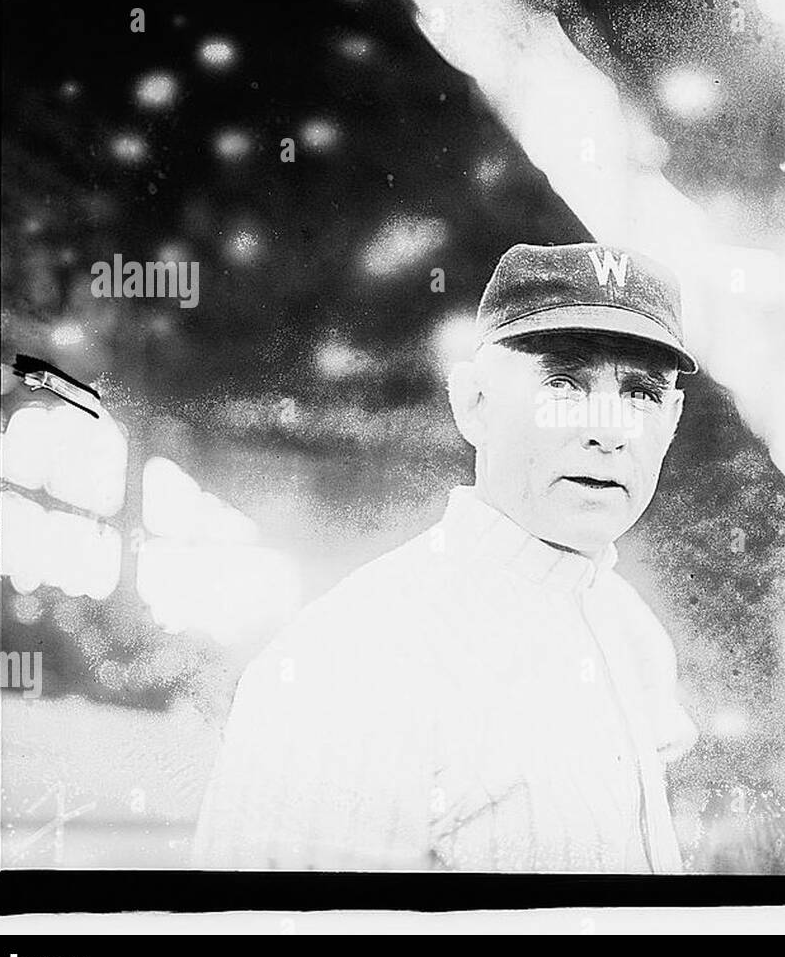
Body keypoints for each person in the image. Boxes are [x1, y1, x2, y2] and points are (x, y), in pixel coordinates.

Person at [193, 241, 700, 872]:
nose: (609, 429)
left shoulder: (635, 636)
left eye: (642, 394)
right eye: (564, 384)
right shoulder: (351, 658)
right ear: (475, 404)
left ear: (672, 419)